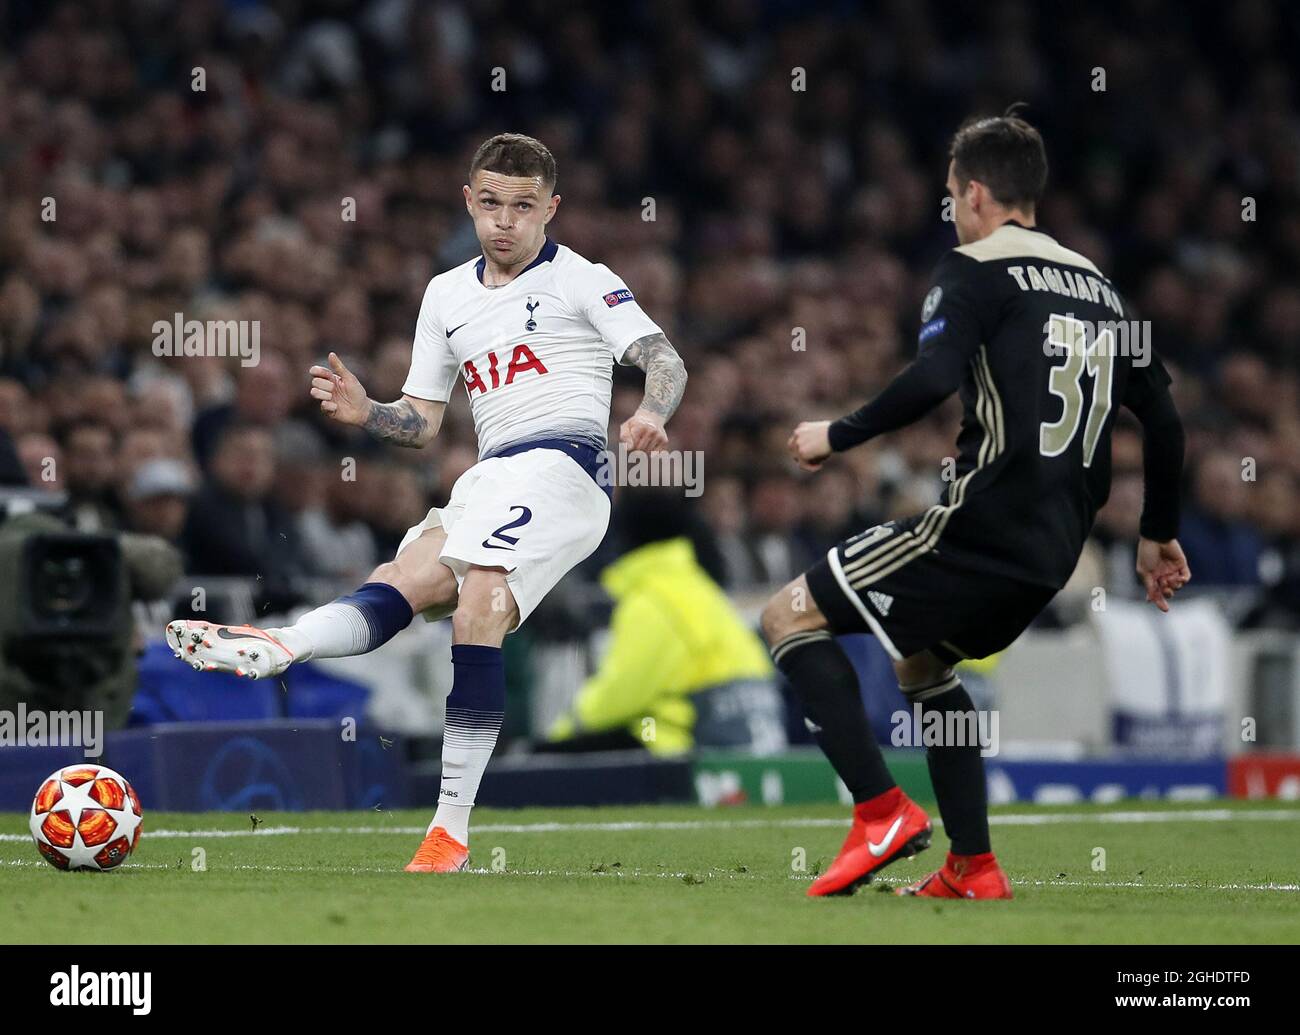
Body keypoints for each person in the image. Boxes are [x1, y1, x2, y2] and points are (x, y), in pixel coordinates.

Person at [165, 134, 687, 873]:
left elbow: (662, 357)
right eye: (492, 204)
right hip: (491, 473)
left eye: (524, 207)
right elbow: (422, 421)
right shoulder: (446, 294)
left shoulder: (582, 279)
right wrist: (367, 411)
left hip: (568, 465)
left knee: (479, 604)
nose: (506, 221)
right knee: (406, 580)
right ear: (470, 202)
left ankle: (449, 831)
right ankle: (283, 644)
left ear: (551, 209)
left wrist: (655, 412)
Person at [761, 109, 1191, 900]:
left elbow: (931, 379)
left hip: (981, 522)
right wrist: (1157, 533)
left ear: (979, 194)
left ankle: (880, 811)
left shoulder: (977, 269)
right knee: (924, 661)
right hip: (1056, 548)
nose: (953, 212)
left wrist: (837, 432)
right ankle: (973, 864)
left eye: (953, 197)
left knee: (787, 616)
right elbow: (1163, 419)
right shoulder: (1098, 288)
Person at [544, 488, 783, 757]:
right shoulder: (700, 588)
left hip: (698, 747)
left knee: (609, 739)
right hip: (755, 739)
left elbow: (621, 694)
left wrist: (552, 740)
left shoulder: (653, 601)